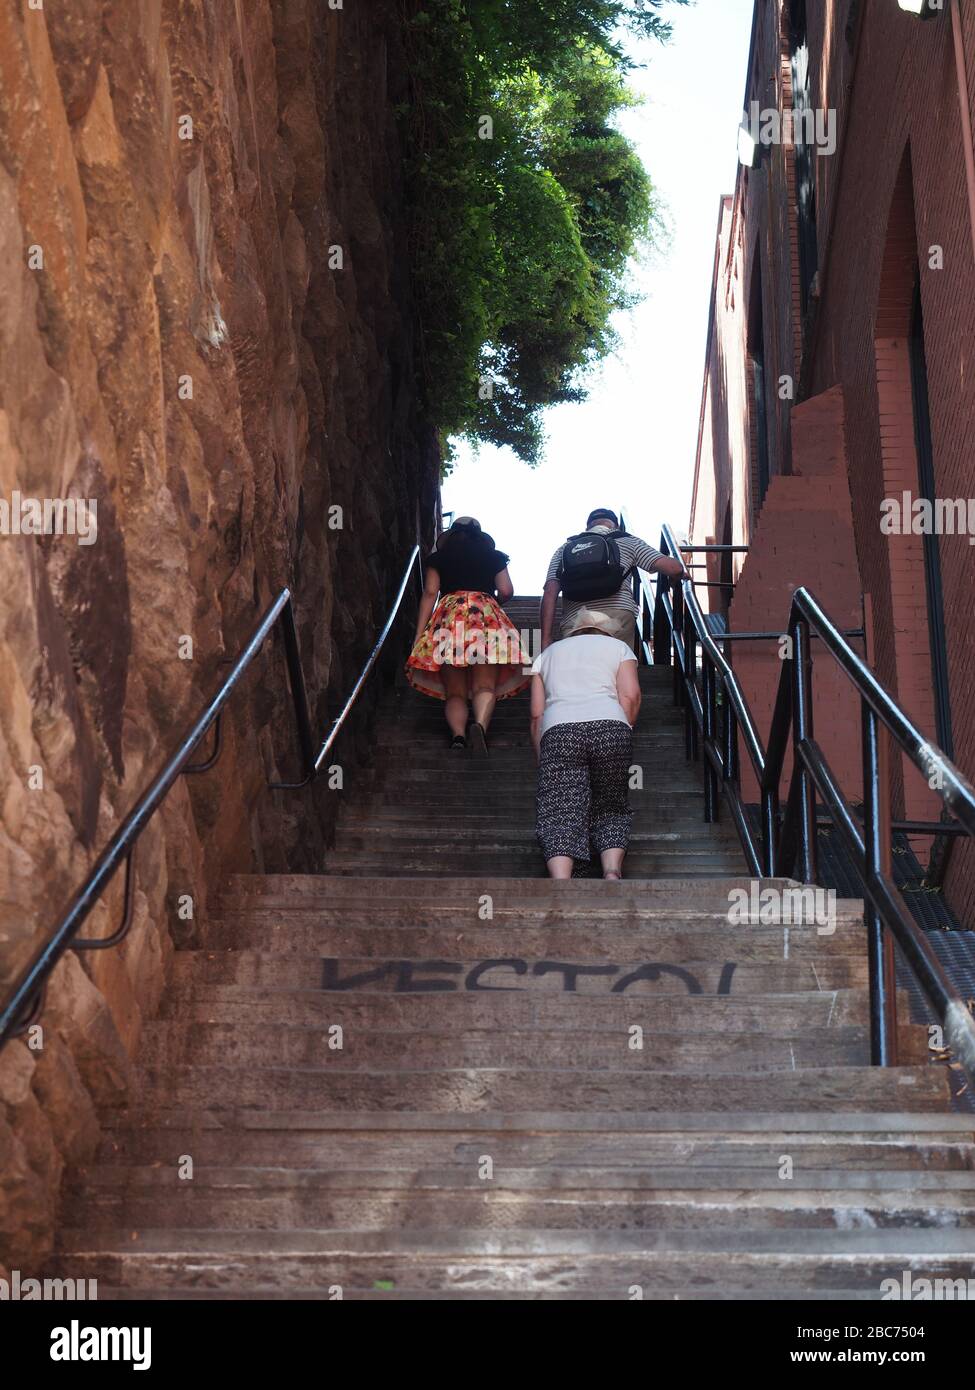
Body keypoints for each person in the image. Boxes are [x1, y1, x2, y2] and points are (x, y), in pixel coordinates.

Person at [530, 610, 642, 880]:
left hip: (560, 730)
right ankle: (612, 871)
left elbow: (536, 715)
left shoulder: (546, 655)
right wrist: (621, 731)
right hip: (610, 726)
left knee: (559, 807)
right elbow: (630, 696)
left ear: (574, 631)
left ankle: (561, 879)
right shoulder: (619, 648)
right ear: (606, 631)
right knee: (611, 803)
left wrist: (542, 754)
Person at [406, 517, 532, 755]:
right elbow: (506, 590)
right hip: (484, 617)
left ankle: (458, 736)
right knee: (485, 685)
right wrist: (493, 603)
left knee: (455, 692)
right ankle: (480, 727)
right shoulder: (494, 557)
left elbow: (430, 592)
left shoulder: (438, 558)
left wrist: (420, 634)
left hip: (449, 619)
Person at [540, 508, 688, 651]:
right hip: (617, 615)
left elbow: (549, 591)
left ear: (588, 526)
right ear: (615, 525)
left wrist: (546, 638)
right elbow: (674, 568)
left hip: (576, 619)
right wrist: (676, 578)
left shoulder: (565, 548)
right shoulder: (627, 541)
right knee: (617, 668)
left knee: (580, 671)